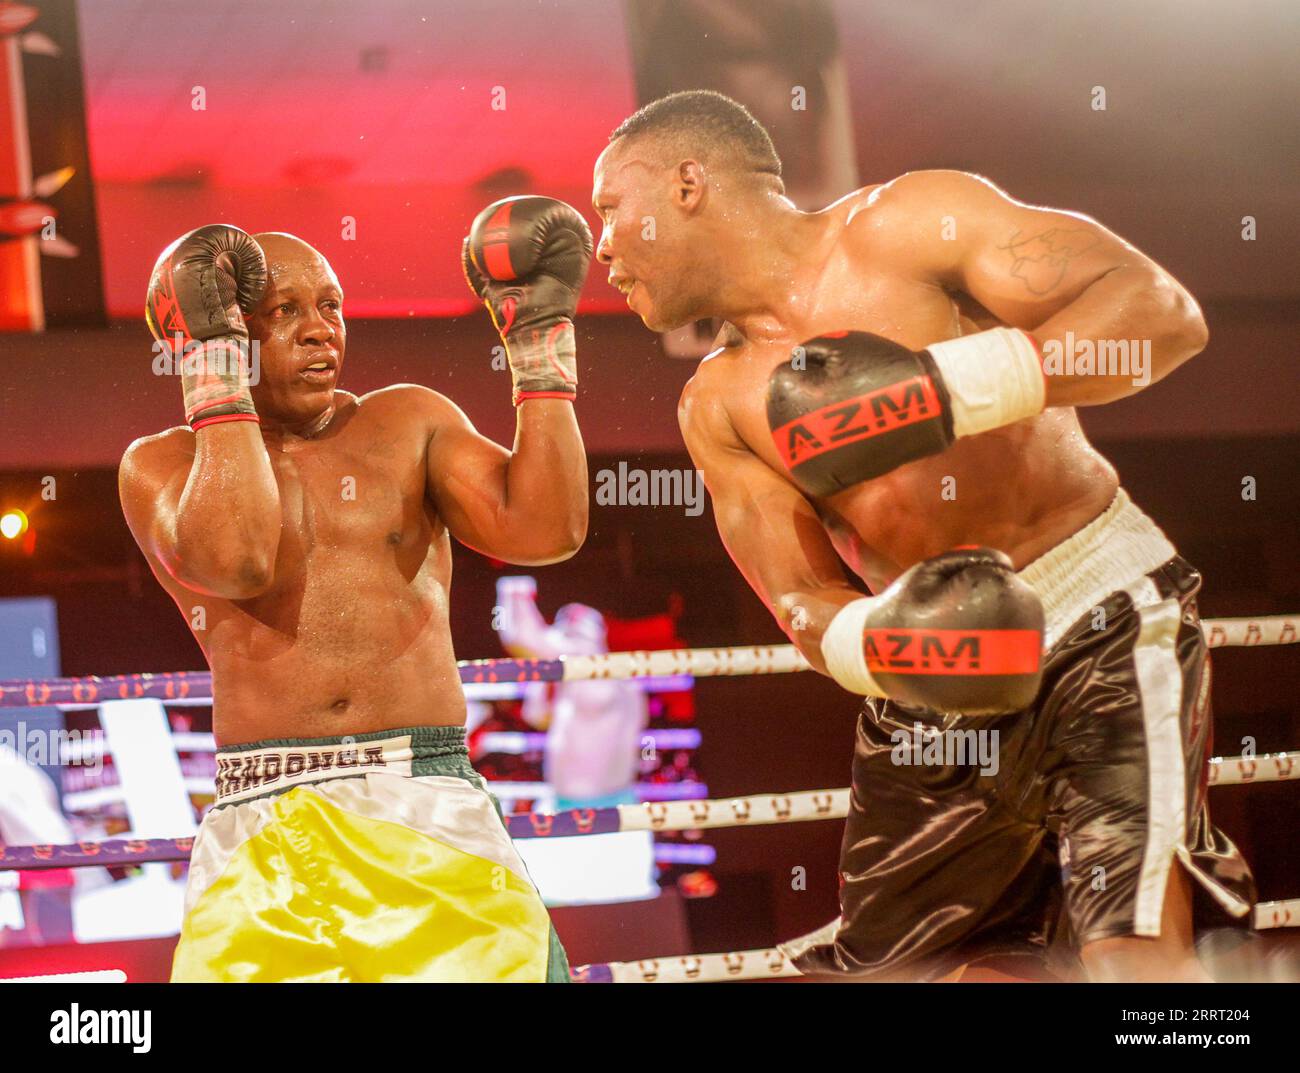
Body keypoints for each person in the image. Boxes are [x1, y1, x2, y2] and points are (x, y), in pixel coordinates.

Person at [590, 90, 1254, 981]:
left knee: (1140, 950)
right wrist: (888, 644)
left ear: (687, 183)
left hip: (1099, 616)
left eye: (609, 209)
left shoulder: (905, 225)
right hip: (933, 681)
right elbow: (801, 599)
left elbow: (1161, 317)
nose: (599, 246)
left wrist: (939, 391)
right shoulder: (715, 404)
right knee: (908, 972)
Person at [118, 195, 592, 981]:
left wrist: (539, 342)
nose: (320, 327)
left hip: (425, 802)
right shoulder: (161, 464)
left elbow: (547, 530)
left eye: (331, 305)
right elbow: (237, 560)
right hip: (262, 827)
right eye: (284, 310)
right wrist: (215, 372)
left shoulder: (410, 421)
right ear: (228, 328)